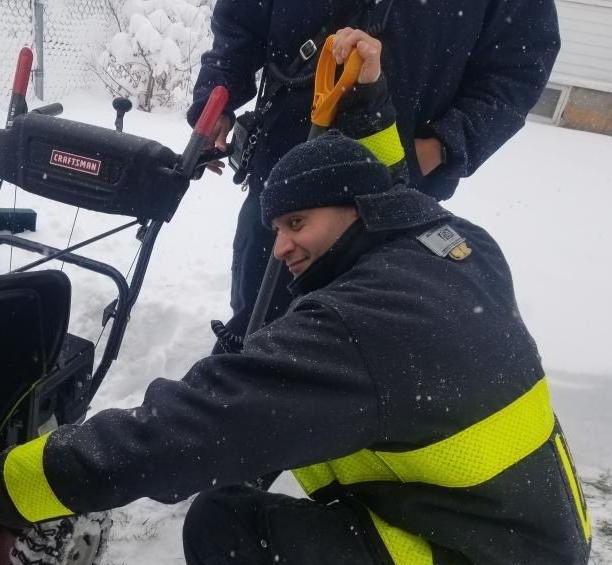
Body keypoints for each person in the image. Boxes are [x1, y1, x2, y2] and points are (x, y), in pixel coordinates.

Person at [0, 39, 610, 565]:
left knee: (230, 528)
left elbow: (179, 432)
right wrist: (367, 103)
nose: (280, 246)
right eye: (276, 226)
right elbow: (384, 185)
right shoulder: (453, 245)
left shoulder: (360, 331)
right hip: (528, 552)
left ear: (353, 209)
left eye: (295, 222)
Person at [188, 1, 561, 343]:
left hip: (391, 197)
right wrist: (215, 99)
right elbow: (241, 22)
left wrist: (442, 146)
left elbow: (517, 72)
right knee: (256, 325)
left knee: (357, 341)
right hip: (282, 178)